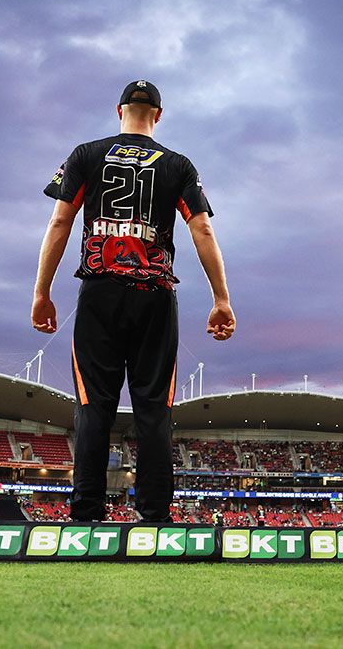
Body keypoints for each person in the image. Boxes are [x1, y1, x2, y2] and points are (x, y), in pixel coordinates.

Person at [33, 79, 234, 523]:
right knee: (153, 410)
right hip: (155, 294)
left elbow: (60, 222)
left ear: (118, 109)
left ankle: (85, 515)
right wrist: (221, 298)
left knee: (92, 407)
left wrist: (42, 292)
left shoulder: (85, 154)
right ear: (158, 115)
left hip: (100, 291)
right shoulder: (179, 164)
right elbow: (202, 229)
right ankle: (155, 517)